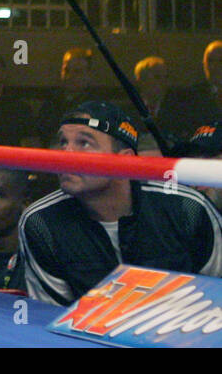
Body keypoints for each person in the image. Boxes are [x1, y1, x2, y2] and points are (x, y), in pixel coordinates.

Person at [18, 101, 222, 306]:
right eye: (63, 142)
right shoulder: (40, 222)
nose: (66, 154)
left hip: (185, 333)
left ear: (125, 161)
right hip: (85, 336)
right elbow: (51, 317)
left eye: (84, 143)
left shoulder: (188, 208)